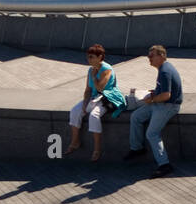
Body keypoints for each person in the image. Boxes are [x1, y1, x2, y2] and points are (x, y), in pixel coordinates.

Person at [124, 45, 183, 178]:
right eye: (148, 56)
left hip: (169, 105)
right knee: (136, 116)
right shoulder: (163, 68)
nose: (148, 58)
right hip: (160, 102)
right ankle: (137, 148)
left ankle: (164, 165)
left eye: (152, 56)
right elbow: (163, 91)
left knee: (152, 133)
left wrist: (152, 99)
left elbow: (167, 96)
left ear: (161, 56)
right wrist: (152, 94)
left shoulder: (165, 71)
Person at [66, 44, 127, 164]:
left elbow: (100, 87)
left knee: (94, 115)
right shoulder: (90, 69)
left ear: (100, 57)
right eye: (88, 57)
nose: (89, 59)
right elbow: (88, 90)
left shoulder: (107, 69)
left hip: (107, 98)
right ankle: (75, 142)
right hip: (94, 97)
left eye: (91, 57)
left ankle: (97, 149)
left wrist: (94, 76)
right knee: (75, 111)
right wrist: (84, 104)